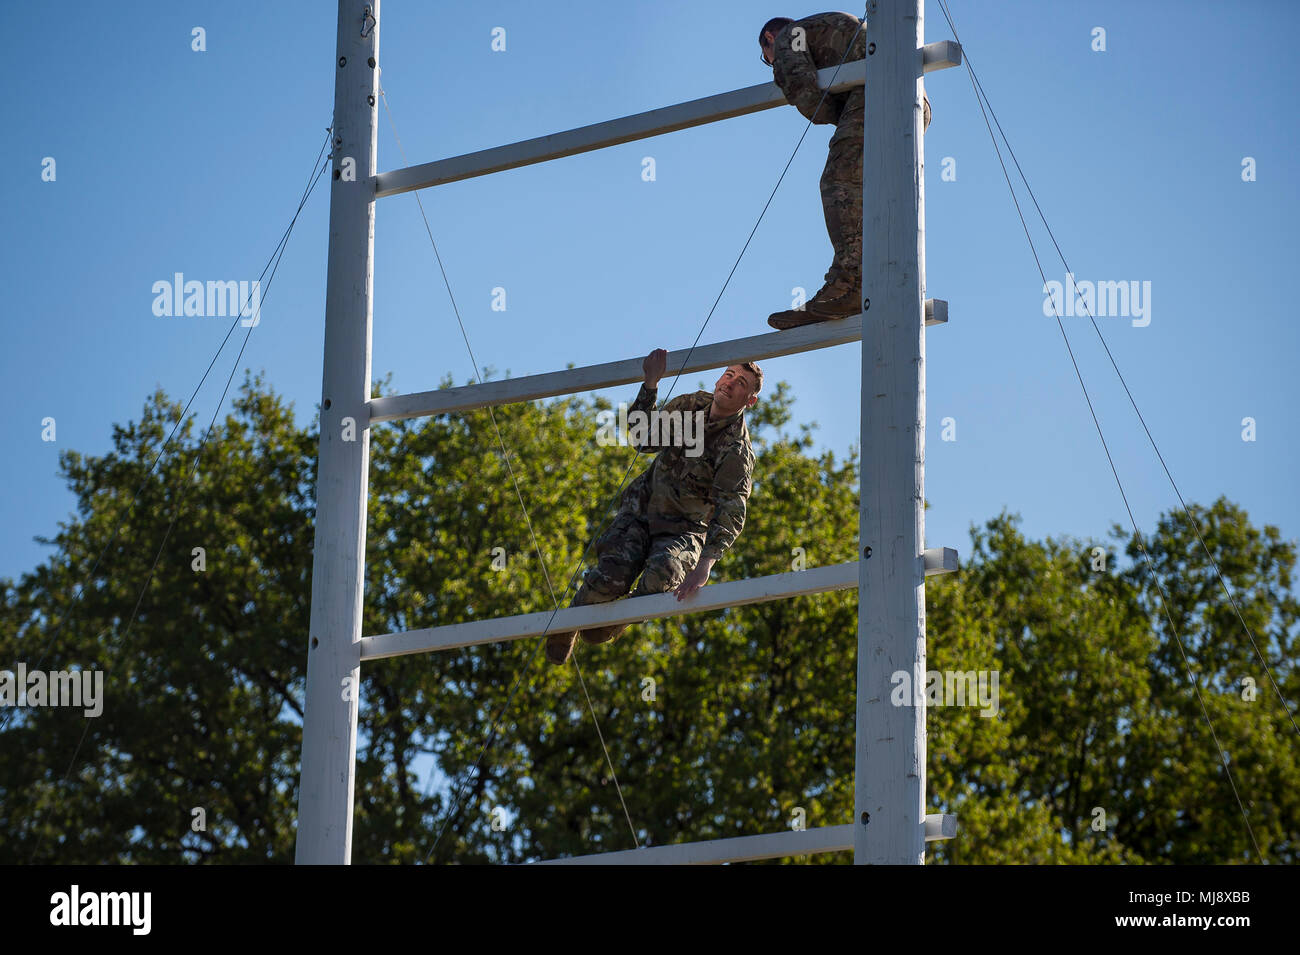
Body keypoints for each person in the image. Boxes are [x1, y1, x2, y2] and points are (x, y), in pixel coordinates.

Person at [546, 349, 761, 665]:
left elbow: (732, 509)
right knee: (609, 577)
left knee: (664, 573)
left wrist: (706, 565)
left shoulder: (735, 449)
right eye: (728, 374)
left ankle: (620, 619)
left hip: (684, 529)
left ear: (750, 400)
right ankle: (574, 620)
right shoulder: (691, 407)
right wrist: (651, 384)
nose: (730, 383)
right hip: (642, 511)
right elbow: (643, 439)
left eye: (741, 383)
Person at [759, 13, 931, 330]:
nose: (771, 63)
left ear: (769, 39)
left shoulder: (788, 36)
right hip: (912, 98)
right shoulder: (825, 28)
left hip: (875, 93)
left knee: (838, 181)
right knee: (873, 193)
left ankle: (848, 284)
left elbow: (807, 92)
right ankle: (878, 276)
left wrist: (784, 74)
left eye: (766, 60)